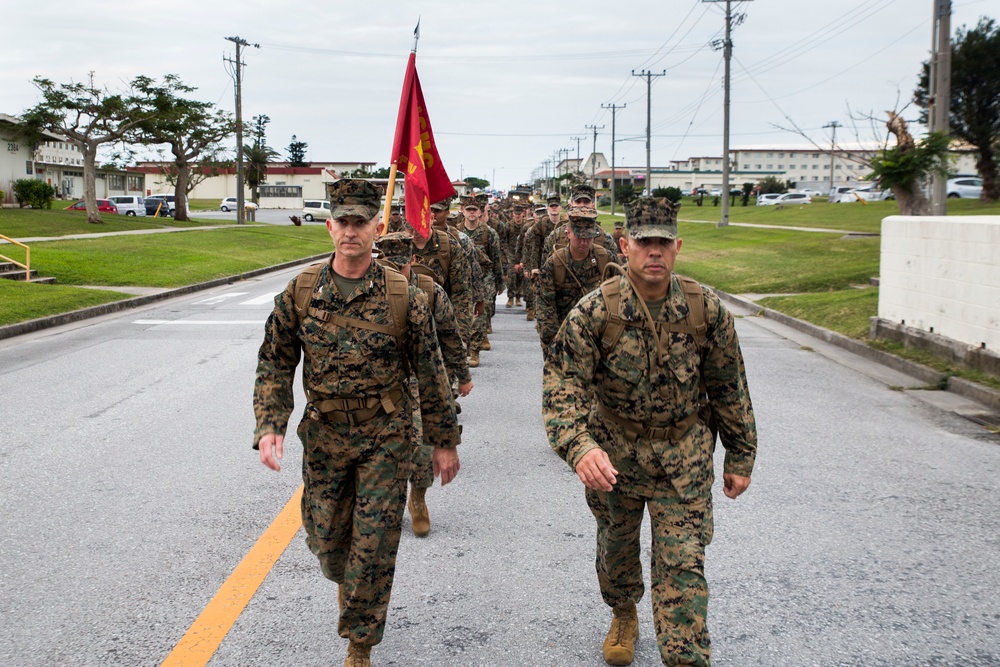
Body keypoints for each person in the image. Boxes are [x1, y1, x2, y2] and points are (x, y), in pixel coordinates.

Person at [253, 179, 461, 667]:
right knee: (329, 542)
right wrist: (270, 424)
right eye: (342, 222)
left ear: (378, 227)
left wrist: (443, 440)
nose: (351, 231)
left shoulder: (403, 297)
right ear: (330, 228)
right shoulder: (301, 291)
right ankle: (349, 585)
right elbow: (275, 361)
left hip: (385, 437)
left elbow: (432, 372)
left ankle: (360, 644)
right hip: (324, 436)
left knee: (374, 545)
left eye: (360, 223)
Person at [542, 197, 757, 667]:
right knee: (616, 550)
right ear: (625, 245)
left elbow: (730, 387)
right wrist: (580, 447)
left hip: (684, 461)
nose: (654, 251)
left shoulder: (706, 310)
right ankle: (623, 611)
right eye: (644, 242)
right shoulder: (594, 313)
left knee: (683, 569)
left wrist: (740, 456)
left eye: (663, 242)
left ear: (677, 246)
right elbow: (562, 386)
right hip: (614, 461)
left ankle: (685, 657)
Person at [375, 231, 473, 538]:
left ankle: (418, 498)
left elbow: (450, 337)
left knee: (420, 445)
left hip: (420, 377)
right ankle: (387, 501)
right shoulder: (371, 289)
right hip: (381, 380)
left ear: (413, 261)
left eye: (402, 266)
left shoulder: (431, 292)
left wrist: (463, 374)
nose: (397, 272)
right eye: (390, 265)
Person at [535, 206, 611, 351]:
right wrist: (554, 343)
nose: (584, 242)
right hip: (561, 335)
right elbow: (545, 308)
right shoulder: (554, 264)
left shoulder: (605, 259)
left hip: (597, 337)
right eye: (579, 237)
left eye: (588, 237)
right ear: (568, 233)